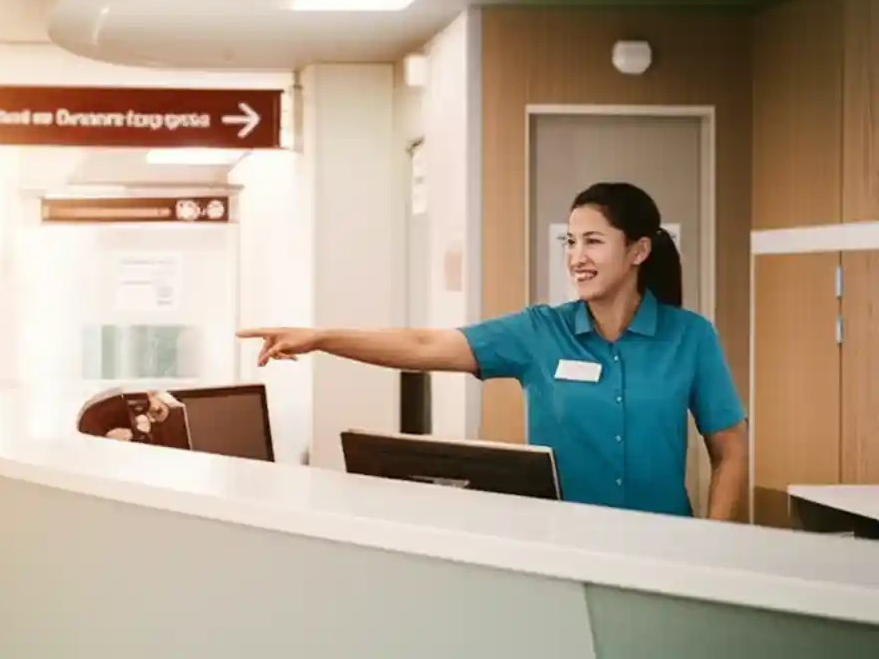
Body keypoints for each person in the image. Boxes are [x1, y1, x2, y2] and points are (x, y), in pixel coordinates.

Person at [237, 182, 748, 520]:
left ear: (638, 251)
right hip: (559, 551)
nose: (576, 257)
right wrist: (322, 337)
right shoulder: (538, 333)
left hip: (663, 550)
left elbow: (729, 451)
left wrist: (713, 541)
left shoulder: (690, 336)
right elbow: (425, 344)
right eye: (569, 242)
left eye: (593, 242)